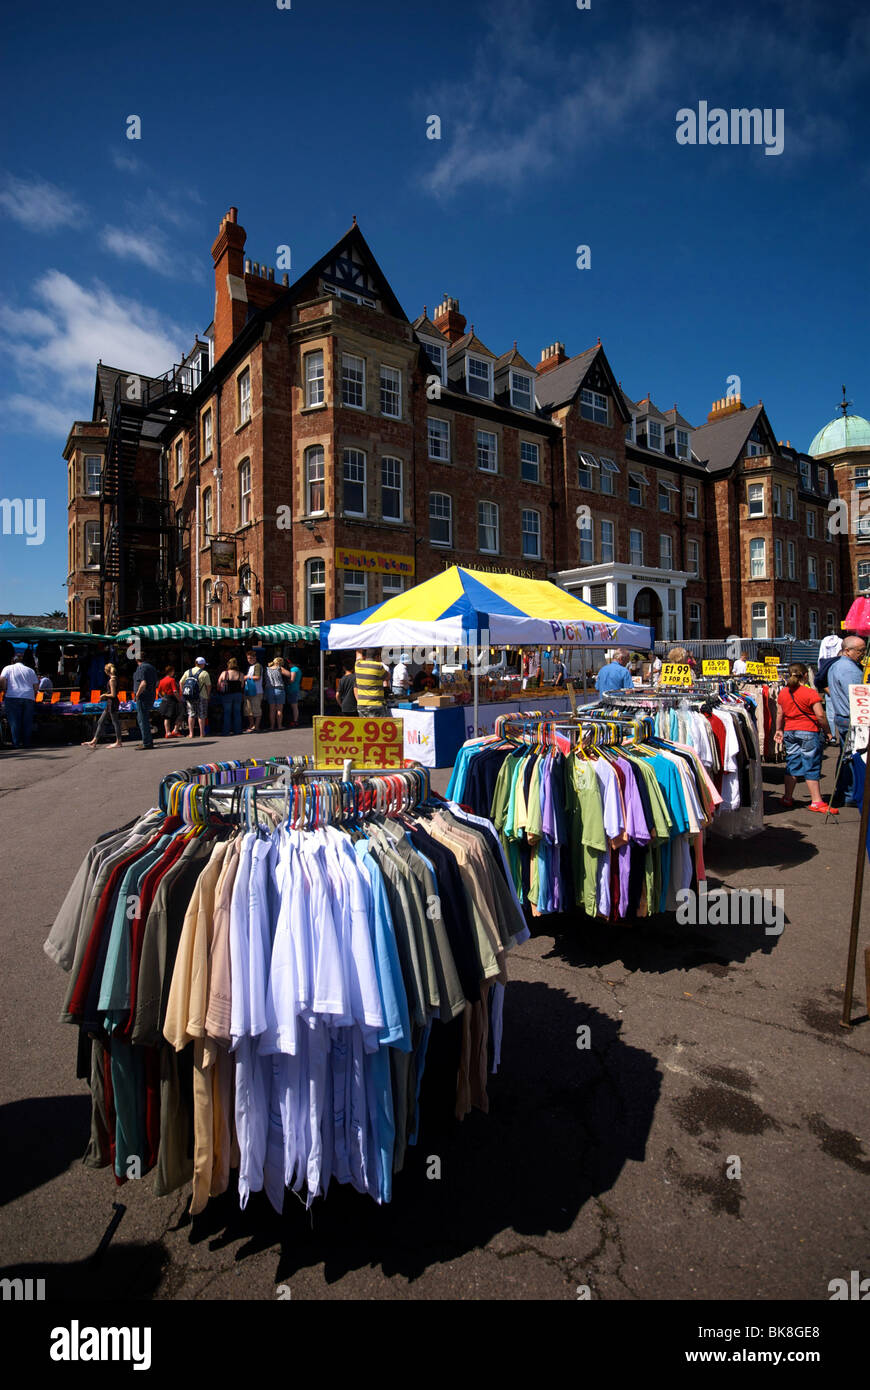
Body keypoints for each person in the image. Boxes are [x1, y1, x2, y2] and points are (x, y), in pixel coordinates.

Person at [774, 663, 834, 813]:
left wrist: (778, 730)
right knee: (811, 764)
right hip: (808, 730)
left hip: (790, 731)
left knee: (792, 763)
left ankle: (787, 797)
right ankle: (816, 801)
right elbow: (820, 715)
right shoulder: (810, 693)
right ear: (805, 675)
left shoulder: (783, 692)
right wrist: (828, 731)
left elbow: (780, 714)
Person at [827, 635, 868, 806]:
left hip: (843, 716)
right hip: (851, 717)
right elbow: (857, 696)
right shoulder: (849, 669)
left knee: (846, 756)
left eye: (864, 650)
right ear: (847, 650)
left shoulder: (836, 665)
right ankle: (850, 793)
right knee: (854, 757)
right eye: (860, 650)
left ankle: (844, 791)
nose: (863, 654)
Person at [0, 651, 39, 748]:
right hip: (28, 697)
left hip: (12, 696)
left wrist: (5, 690)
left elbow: (2, 679)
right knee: (27, 721)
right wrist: (33, 695)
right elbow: (36, 686)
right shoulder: (30, 670)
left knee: (14, 721)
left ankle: (16, 743)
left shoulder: (8, 668)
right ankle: (26, 743)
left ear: (13, 660)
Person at [82, 663, 123, 749]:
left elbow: (113, 694)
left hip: (112, 703)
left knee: (115, 722)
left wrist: (104, 695)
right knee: (100, 721)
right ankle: (94, 741)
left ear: (107, 671)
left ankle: (118, 741)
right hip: (110, 703)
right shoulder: (114, 679)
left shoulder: (112, 680)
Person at [180, 656, 211, 739]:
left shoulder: (187, 672)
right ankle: (202, 733)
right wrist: (208, 696)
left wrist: (184, 692)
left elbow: (181, 682)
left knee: (191, 714)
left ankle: (191, 734)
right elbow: (208, 686)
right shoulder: (204, 673)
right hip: (202, 696)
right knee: (201, 715)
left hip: (190, 696)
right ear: (202, 664)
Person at [133, 651, 158, 749]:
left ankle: (147, 742)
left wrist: (137, 695)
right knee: (143, 719)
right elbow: (156, 682)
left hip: (143, 696)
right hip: (150, 695)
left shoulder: (141, 668)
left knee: (142, 719)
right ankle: (147, 741)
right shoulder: (151, 667)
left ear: (136, 659)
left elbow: (143, 683)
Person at [354, 647, 389, 716]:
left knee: (364, 726)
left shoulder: (358, 664)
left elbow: (358, 652)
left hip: (362, 704)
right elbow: (388, 677)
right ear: (377, 656)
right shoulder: (378, 666)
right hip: (376, 704)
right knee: (378, 726)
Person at [216, 656, 244, 735]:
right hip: (237, 695)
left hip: (227, 695)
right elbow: (242, 686)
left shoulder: (224, 673)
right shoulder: (240, 674)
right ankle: (238, 730)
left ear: (228, 664)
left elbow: (218, 684)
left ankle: (226, 731)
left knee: (227, 713)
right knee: (237, 712)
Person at [264, 657, 291, 730]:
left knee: (272, 709)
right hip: (279, 689)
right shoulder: (279, 668)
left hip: (269, 690)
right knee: (279, 709)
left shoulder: (267, 669)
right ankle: (279, 726)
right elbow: (289, 674)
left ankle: (272, 726)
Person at [156, 665, 182, 739]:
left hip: (165, 699)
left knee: (166, 717)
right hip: (173, 699)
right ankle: (175, 730)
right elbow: (175, 691)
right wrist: (179, 699)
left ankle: (168, 732)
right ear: (171, 672)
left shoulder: (161, 681)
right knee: (180, 714)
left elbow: (158, 692)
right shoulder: (172, 680)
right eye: (173, 671)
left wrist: (163, 697)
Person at [244, 648, 264, 733]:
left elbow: (257, 677)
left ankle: (256, 726)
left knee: (256, 710)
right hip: (249, 690)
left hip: (256, 691)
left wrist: (246, 677)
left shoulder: (257, 666)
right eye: (248, 658)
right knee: (249, 710)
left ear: (255, 658)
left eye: (251, 658)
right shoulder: (251, 667)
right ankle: (252, 725)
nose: (249, 660)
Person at [284, 654, 302, 727]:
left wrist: (286, 681)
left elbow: (292, 680)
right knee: (294, 706)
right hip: (294, 688)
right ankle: (295, 720)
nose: (288, 665)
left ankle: (295, 721)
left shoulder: (294, 669)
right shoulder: (297, 669)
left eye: (289, 663)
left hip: (292, 689)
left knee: (294, 706)